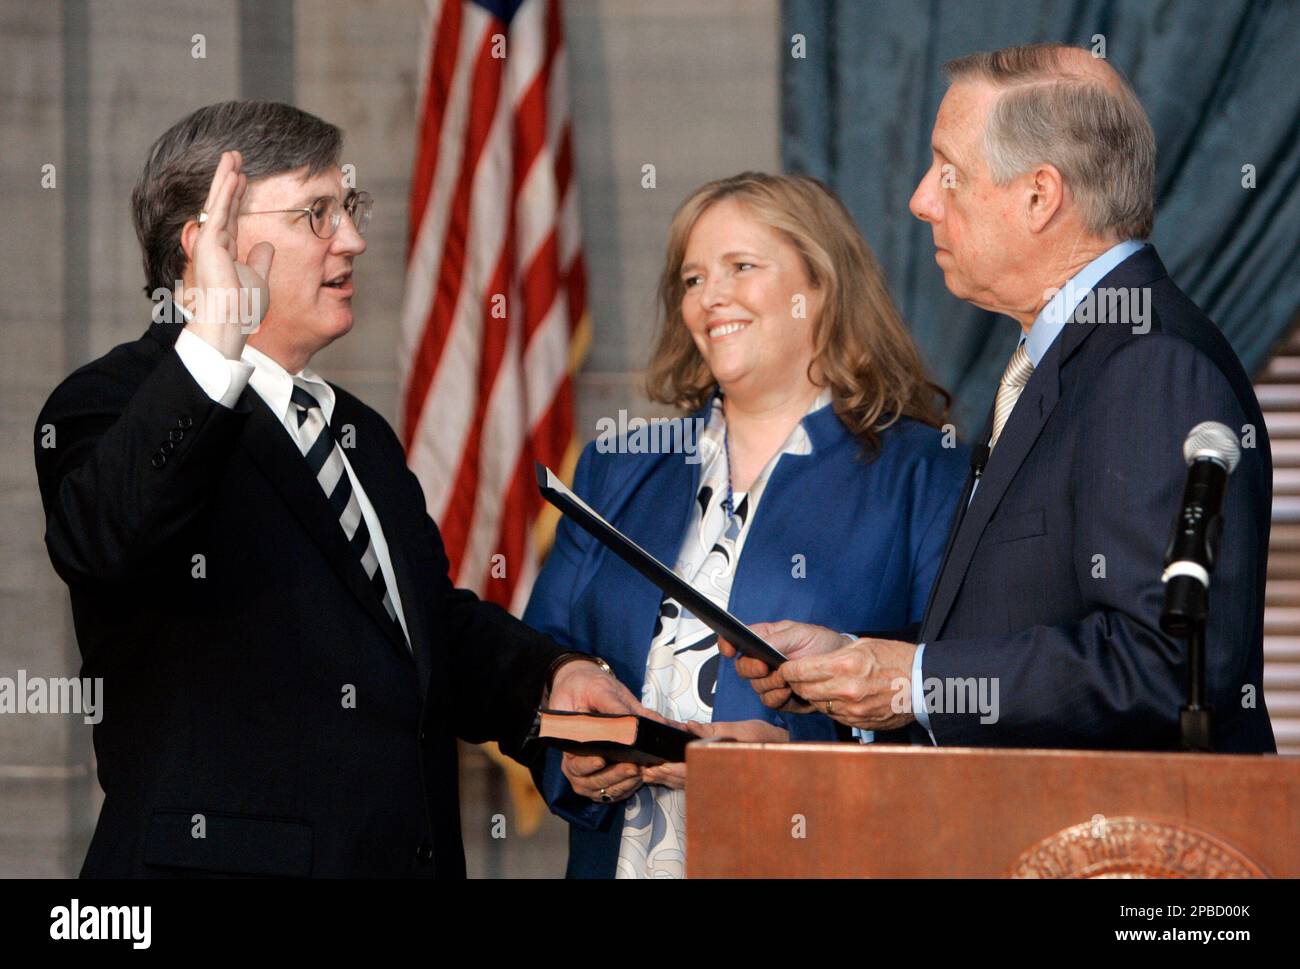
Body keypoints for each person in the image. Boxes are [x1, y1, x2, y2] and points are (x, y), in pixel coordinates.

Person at [32, 101, 649, 878]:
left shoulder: (356, 430)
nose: (352, 239)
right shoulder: (111, 403)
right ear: (207, 243)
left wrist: (549, 680)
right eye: (316, 213)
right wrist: (213, 344)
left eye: (347, 207)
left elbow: (423, 631)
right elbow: (104, 539)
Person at [723, 43, 1276, 753]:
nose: (920, 199)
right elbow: (1018, 628)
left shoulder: (1151, 361)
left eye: (948, 172)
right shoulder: (1059, 355)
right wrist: (859, 662)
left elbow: (1160, 664)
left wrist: (917, 680)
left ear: (1040, 196)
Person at [524, 172, 968, 878]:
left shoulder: (925, 472)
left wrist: (798, 755)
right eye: (693, 278)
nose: (710, 298)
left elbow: (955, 695)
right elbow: (541, 654)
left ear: (821, 285)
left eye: (741, 267)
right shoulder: (618, 465)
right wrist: (573, 757)